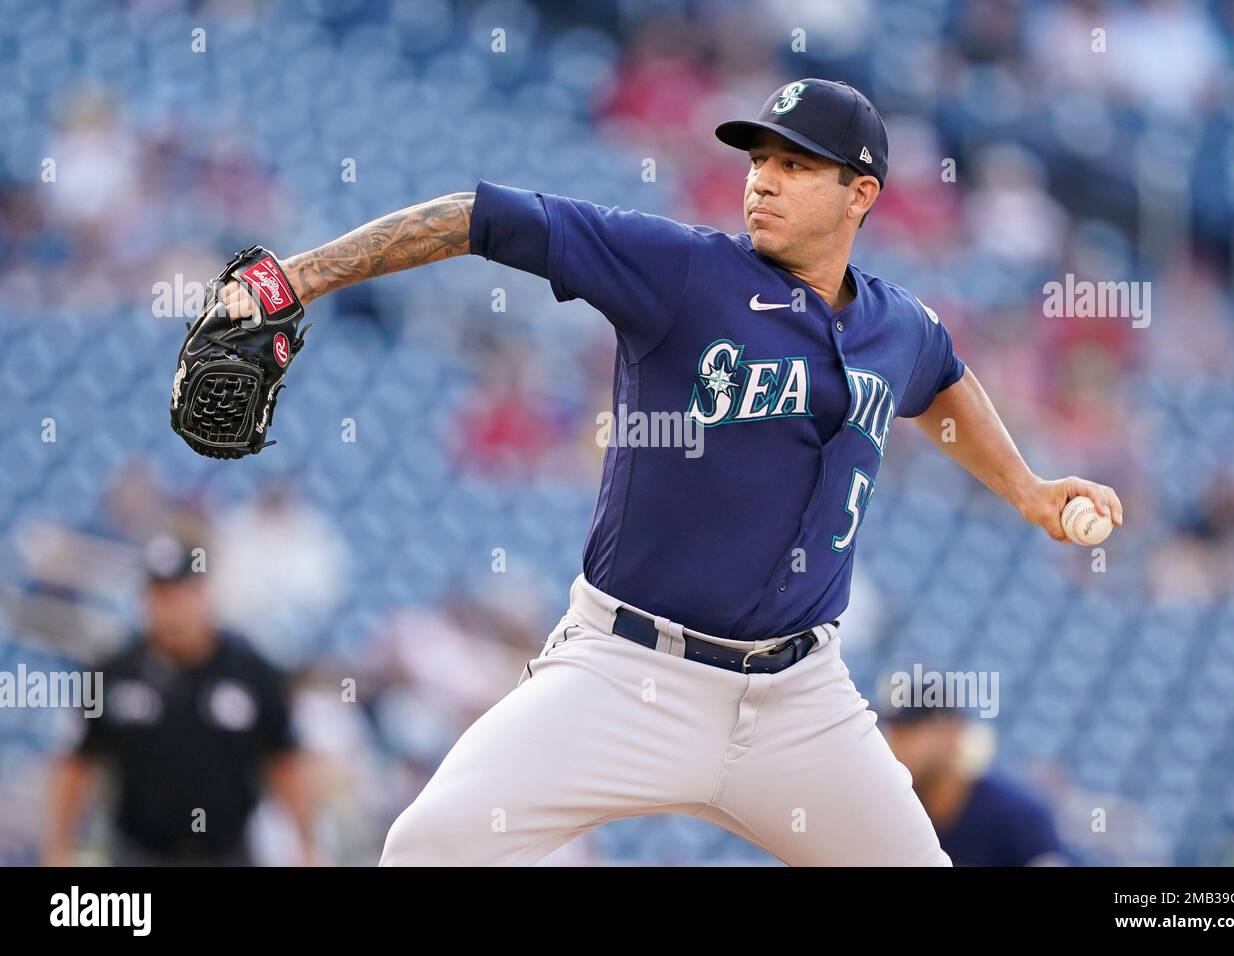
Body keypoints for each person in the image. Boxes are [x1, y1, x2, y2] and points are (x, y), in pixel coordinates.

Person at [217, 78, 1123, 866]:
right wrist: (292, 280)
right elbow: (480, 219)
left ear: (862, 194)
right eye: (757, 158)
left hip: (800, 701)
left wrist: (1032, 492)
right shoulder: (684, 271)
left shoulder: (902, 327)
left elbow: (943, 385)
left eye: (796, 165)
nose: (763, 178)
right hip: (625, 672)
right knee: (427, 850)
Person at [45, 535, 317, 866]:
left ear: (204, 594)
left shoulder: (251, 672)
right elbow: (77, 763)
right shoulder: (110, 674)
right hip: (140, 854)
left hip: (227, 853)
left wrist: (305, 845)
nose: (170, 607)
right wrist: (59, 847)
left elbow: (285, 761)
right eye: (160, 595)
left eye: (180, 593)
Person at [880, 697, 1071, 866]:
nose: (896, 744)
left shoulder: (1018, 815)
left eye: (909, 732)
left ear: (950, 733)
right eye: (894, 733)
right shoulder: (897, 813)